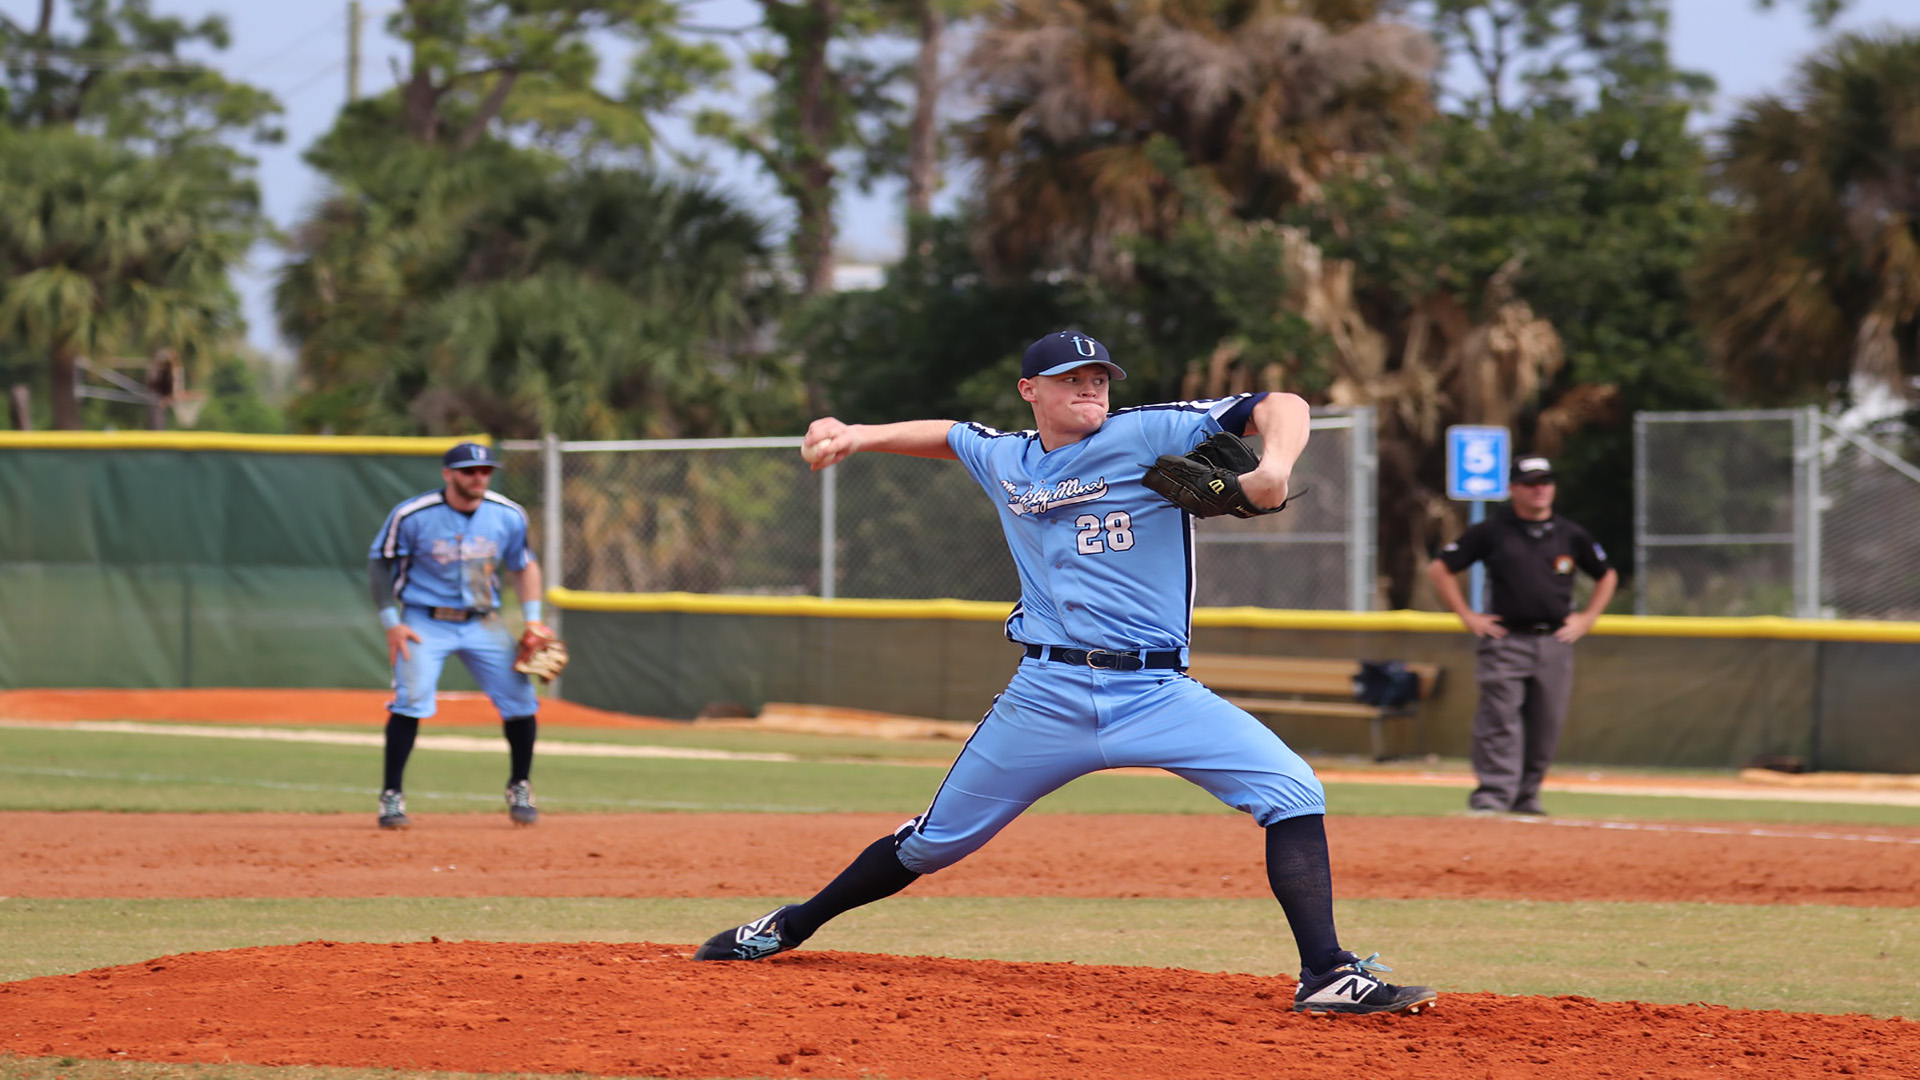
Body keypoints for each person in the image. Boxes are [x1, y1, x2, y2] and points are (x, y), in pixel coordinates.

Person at [690, 330, 1435, 1017]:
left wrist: (1273, 467)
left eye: (1098, 376)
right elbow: (950, 436)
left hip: (1155, 691)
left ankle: (1327, 974)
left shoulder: (1148, 431)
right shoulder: (1007, 457)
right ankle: (788, 926)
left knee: (1291, 789)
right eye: (1069, 378)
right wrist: (856, 436)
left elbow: (1283, 404)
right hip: (1046, 695)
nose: (1090, 388)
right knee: (933, 845)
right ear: (1029, 391)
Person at [1425, 455, 1618, 816]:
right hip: (1507, 640)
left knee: (1546, 722)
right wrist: (1468, 616)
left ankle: (1527, 796)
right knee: (1500, 719)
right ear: (1513, 488)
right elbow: (1440, 568)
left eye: (1546, 481)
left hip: (1555, 641)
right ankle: (1493, 796)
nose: (1540, 489)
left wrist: (1587, 619)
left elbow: (1606, 574)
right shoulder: (1493, 531)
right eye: (1531, 482)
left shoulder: (1570, 534)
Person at [367, 441, 546, 830]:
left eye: (485, 471)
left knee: (521, 700)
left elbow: (524, 565)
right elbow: (380, 564)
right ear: (448, 474)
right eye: (468, 471)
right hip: (423, 620)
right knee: (410, 700)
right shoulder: (413, 515)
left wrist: (533, 621)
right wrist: (391, 623)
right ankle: (391, 796)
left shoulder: (508, 514)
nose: (478, 477)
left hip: (483, 621)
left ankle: (520, 785)